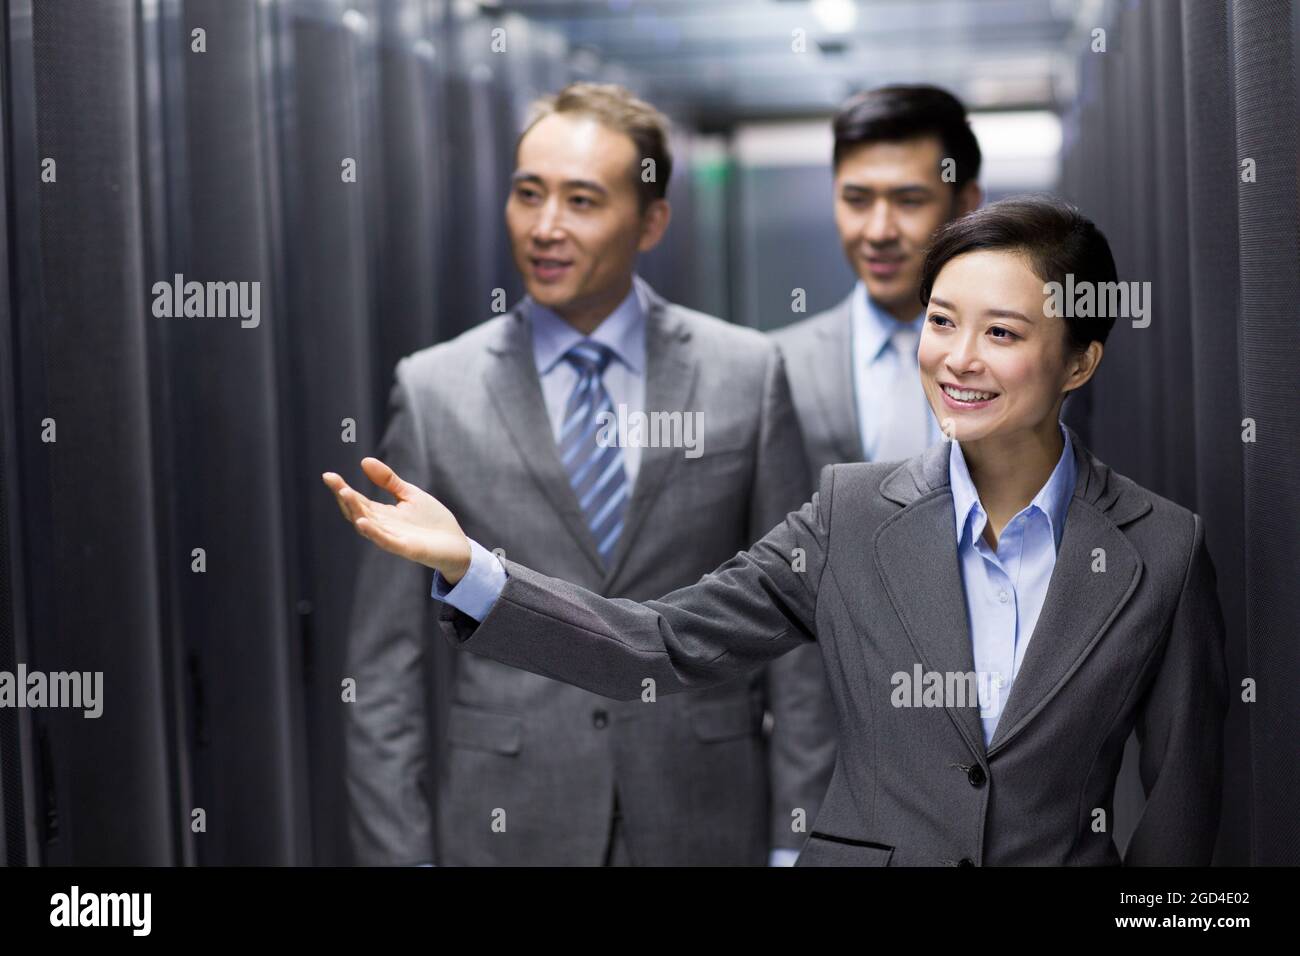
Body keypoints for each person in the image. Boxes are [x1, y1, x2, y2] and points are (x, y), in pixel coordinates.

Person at [326, 196, 1228, 866]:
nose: (958, 358)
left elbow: (1181, 811)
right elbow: (656, 645)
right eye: (941, 321)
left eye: (1002, 333)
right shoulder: (848, 516)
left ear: (1079, 361)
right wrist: (475, 568)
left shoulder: (1161, 551)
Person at [343, 82, 835, 867]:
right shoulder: (435, 389)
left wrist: (795, 842)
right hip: (509, 817)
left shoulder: (746, 372)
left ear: (651, 221)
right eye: (528, 194)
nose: (546, 227)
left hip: (703, 811)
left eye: (581, 201)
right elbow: (384, 668)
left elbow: (797, 635)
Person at [773, 85, 982, 476]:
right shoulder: (778, 366)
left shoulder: (1024, 362)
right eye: (857, 200)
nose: (879, 231)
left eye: (909, 201)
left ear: (965, 205)